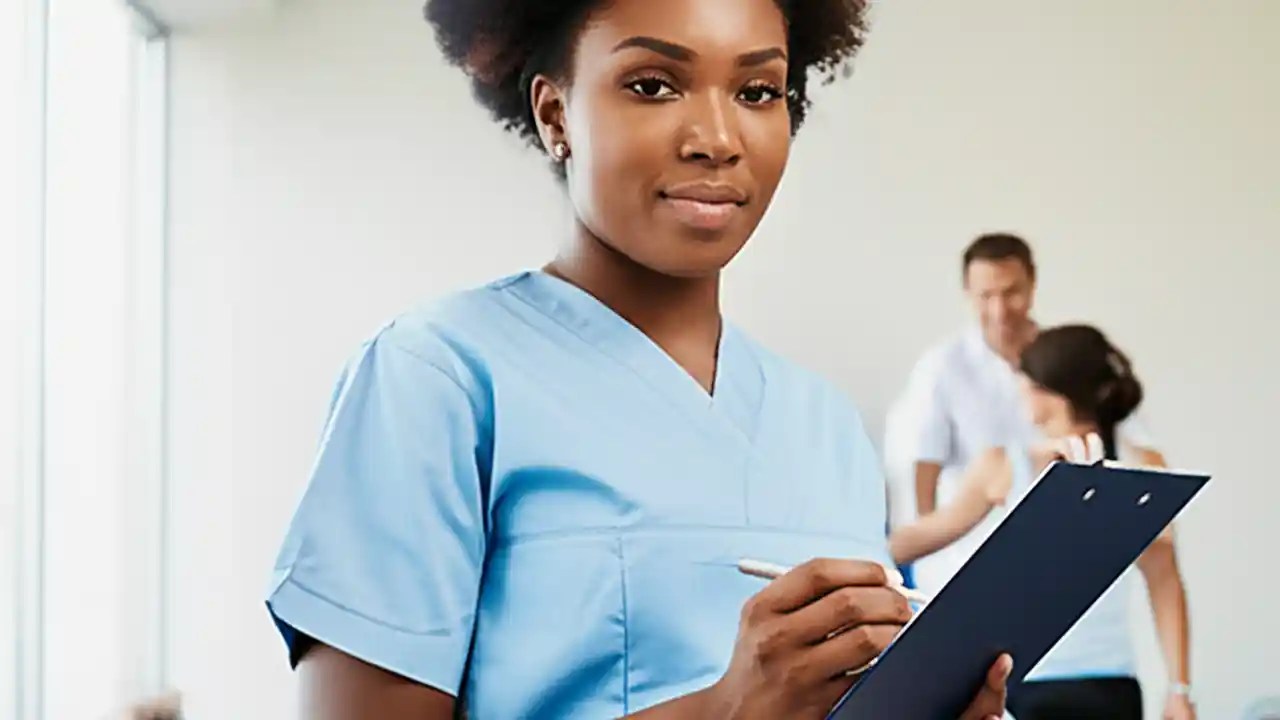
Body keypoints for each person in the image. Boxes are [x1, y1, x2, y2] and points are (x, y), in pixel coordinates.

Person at [263, 1, 1012, 718]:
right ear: (556, 114)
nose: (718, 138)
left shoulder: (826, 425)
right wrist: (721, 713)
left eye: (757, 91)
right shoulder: (437, 380)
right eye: (653, 86)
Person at [888, 325, 1195, 720]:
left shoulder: (1007, 466)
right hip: (1079, 687)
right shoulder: (1138, 468)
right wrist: (1179, 689)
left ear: (1047, 395)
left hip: (1056, 683)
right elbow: (1165, 581)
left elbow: (905, 547)